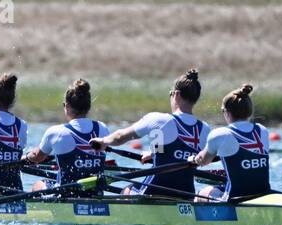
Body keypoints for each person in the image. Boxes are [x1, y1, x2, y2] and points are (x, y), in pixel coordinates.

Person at [90, 69, 210, 197]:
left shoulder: (159, 120)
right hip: (186, 194)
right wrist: (154, 155)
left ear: (176, 94)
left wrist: (103, 142)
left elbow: (120, 137)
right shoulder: (205, 129)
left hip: (154, 192)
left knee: (127, 189)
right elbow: (179, 154)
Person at [22, 79, 109, 193]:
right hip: (95, 194)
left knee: (39, 184)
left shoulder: (56, 132)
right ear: (89, 106)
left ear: (66, 106)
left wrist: (24, 158)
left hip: (65, 195)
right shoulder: (103, 128)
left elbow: (37, 157)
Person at [189, 84, 273, 202]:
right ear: (249, 111)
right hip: (263, 194)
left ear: (227, 112)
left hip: (235, 198)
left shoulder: (220, 134)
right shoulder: (262, 131)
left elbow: (203, 161)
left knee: (201, 194)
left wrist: (193, 159)